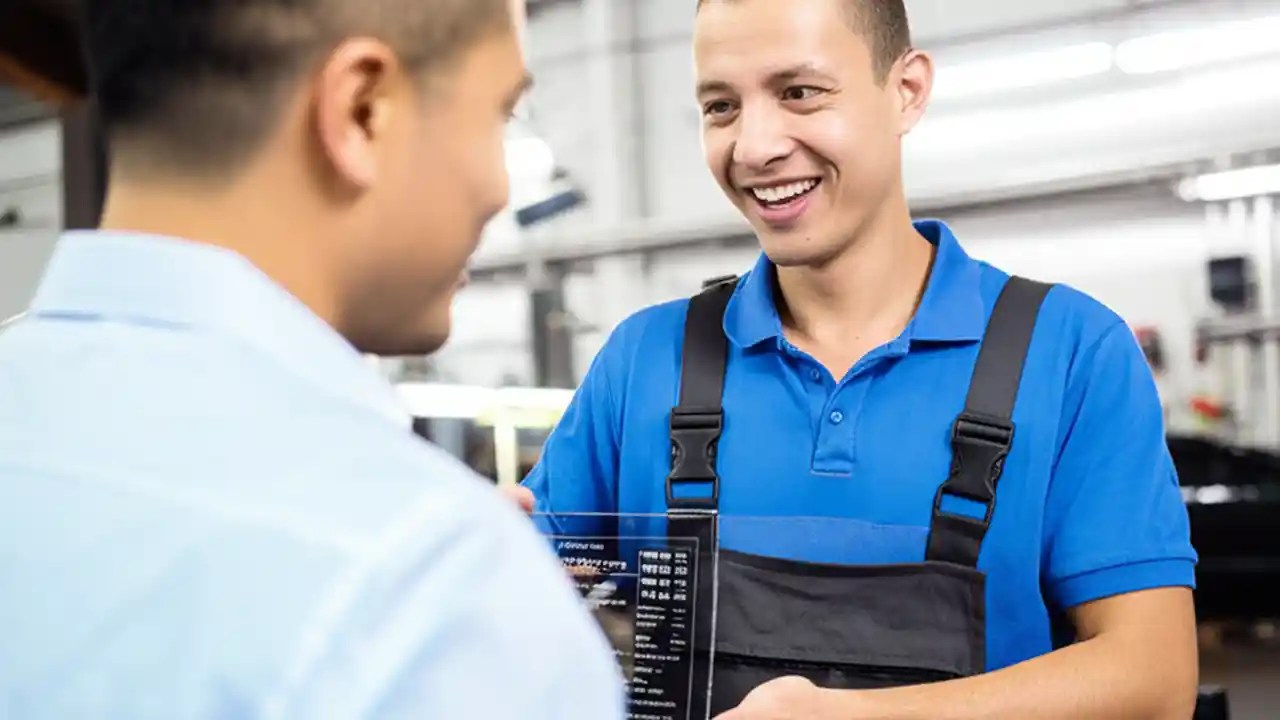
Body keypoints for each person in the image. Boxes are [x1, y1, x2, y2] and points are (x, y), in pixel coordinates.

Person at [514, 0, 1199, 718]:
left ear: (906, 91)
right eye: (721, 106)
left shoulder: (1070, 353)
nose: (753, 146)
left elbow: (1152, 680)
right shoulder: (644, 361)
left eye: (799, 93)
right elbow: (518, 610)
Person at [0, 1, 623, 718]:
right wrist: (478, 595)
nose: (500, 187)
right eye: (501, 115)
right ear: (362, 110)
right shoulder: (441, 602)